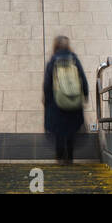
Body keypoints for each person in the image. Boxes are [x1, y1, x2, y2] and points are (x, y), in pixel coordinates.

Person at [42, 36, 89, 166]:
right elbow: (83, 79)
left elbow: (47, 84)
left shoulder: (52, 62)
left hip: (57, 104)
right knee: (71, 131)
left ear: (55, 47)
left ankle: (60, 156)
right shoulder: (74, 60)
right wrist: (85, 95)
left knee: (59, 132)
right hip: (74, 102)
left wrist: (46, 100)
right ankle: (70, 158)